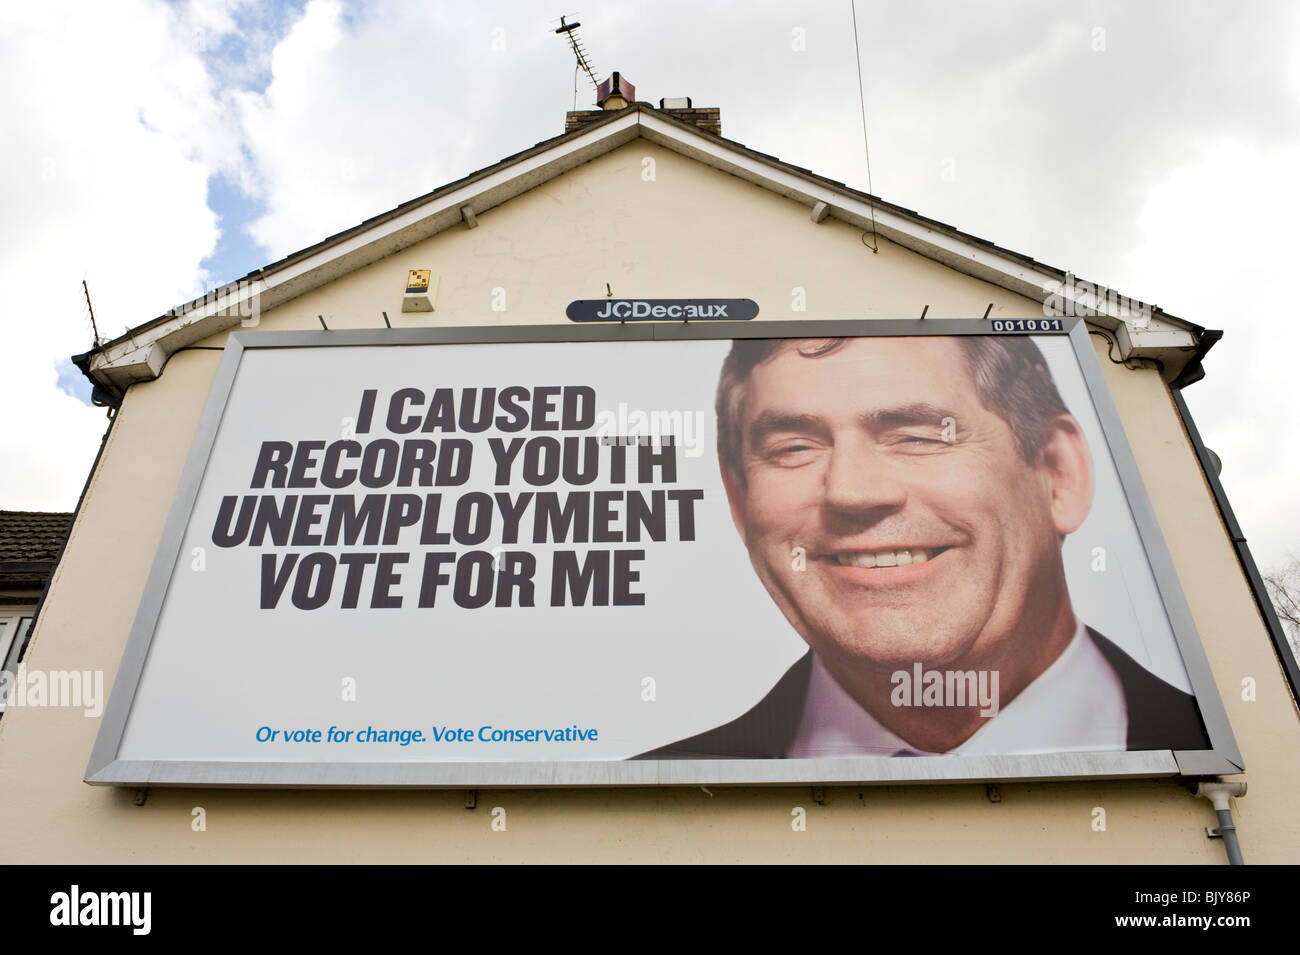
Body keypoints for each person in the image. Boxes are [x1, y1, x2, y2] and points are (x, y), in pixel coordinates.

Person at [639, 335, 1209, 759]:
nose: (853, 492)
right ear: (738, 501)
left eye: (917, 436)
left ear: (1058, 473)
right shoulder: (656, 792)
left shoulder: (1223, 746)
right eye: (793, 447)